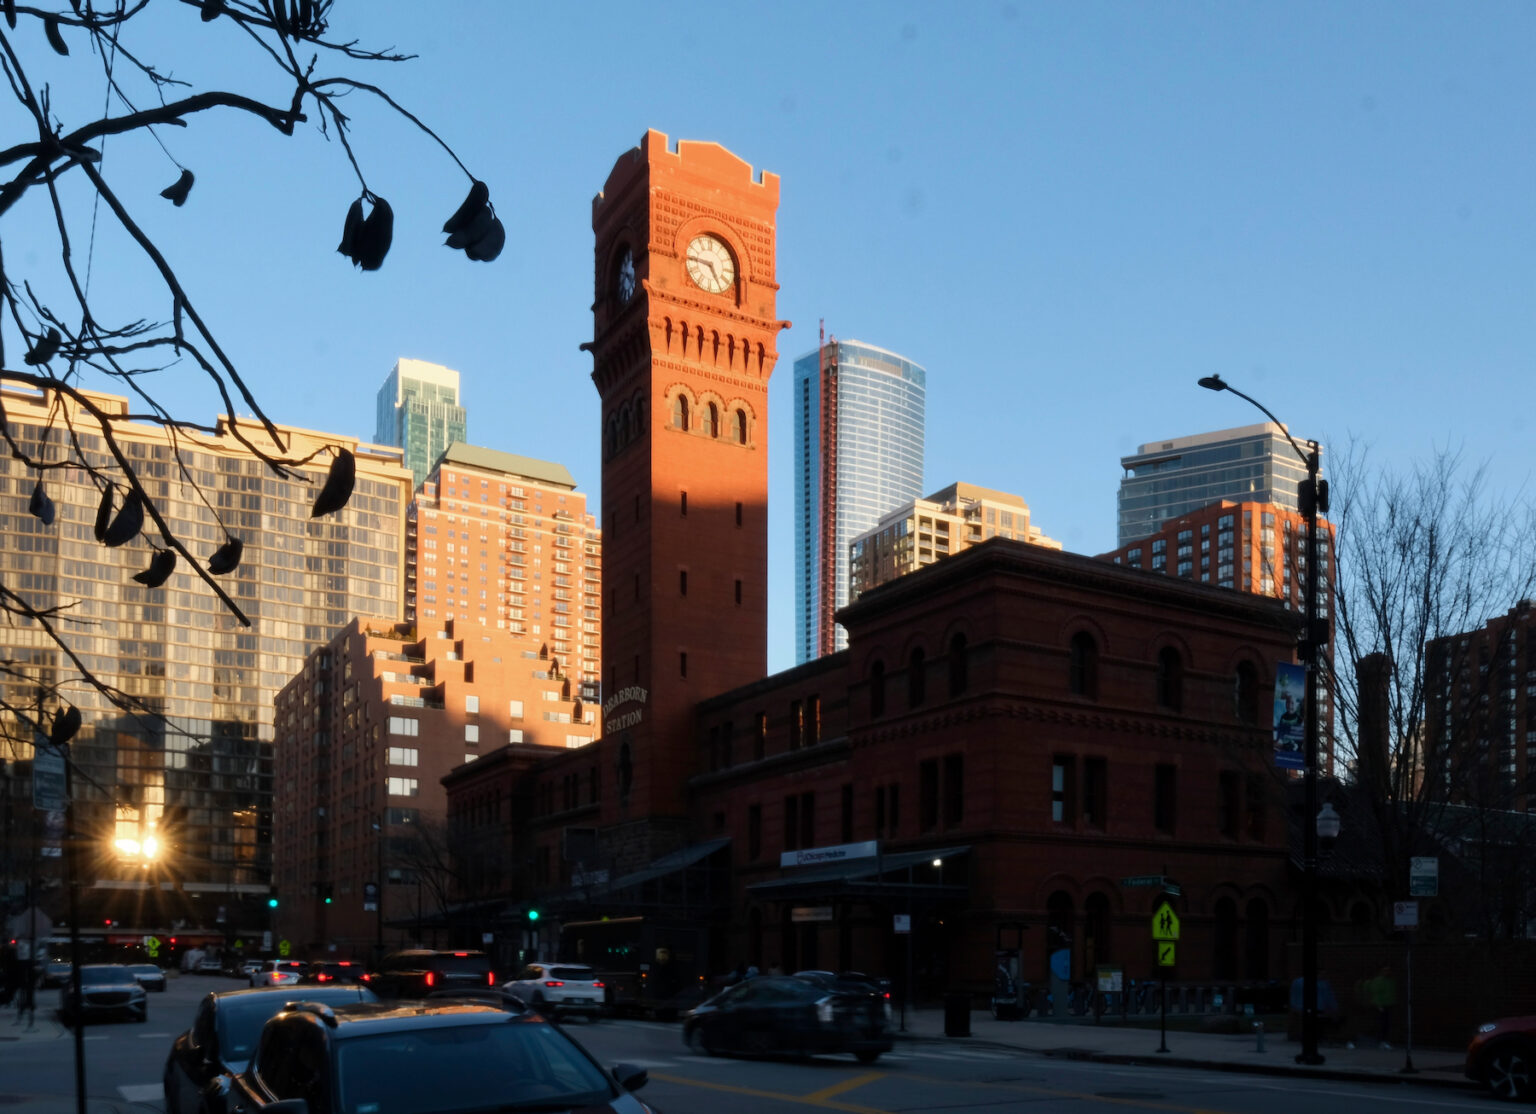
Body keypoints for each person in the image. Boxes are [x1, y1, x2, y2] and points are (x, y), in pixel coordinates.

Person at [1365, 966, 1398, 1049]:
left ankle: (1384, 1040)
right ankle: (1381, 1041)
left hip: (1389, 1004)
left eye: (1388, 971)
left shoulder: (1391, 980)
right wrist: (1379, 1005)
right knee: (1382, 1024)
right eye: (1385, 971)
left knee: (1387, 1024)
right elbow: (1376, 993)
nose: (1387, 973)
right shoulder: (1379, 981)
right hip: (1381, 1005)